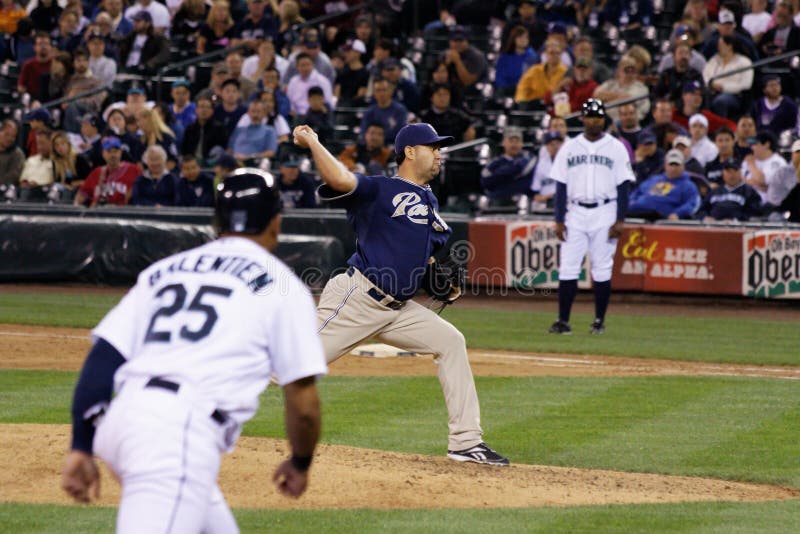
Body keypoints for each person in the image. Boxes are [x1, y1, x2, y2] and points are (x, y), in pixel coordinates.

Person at [61, 167, 326, 532]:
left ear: (216, 221)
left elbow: (104, 355)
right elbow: (303, 401)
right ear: (276, 221)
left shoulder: (165, 270)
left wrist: (81, 443)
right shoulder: (282, 284)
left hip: (123, 423)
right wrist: (300, 462)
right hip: (174, 437)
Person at [293, 121, 509, 466]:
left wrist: (433, 275)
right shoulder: (380, 189)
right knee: (294, 365)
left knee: (451, 342)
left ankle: (466, 443)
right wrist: (314, 142)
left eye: (440, 148)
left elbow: (420, 258)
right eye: (433, 148)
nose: (440, 155)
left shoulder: (430, 203)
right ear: (410, 151)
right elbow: (339, 180)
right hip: (357, 299)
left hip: (398, 310)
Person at [548, 99, 633, 336]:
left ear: (604, 119)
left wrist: (620, 219)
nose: (594, 121)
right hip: (575, 212)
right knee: (568, 267)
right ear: (583, 119)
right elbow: (561, 186)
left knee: (602, 269)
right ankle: (563, 321)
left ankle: (599, 321)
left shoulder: (615, 147)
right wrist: (559, 219)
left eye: (598, 117)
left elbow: (624, 185)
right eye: (590, 116)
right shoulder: (569, 147)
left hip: (605, 211)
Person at [628, 148, 701, 221]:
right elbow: (638, 191)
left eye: (677, 164)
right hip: (636, 212)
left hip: (661, 218)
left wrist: (678, 213)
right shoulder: (654, 179)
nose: (674, 168)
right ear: (665, 165)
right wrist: (631, 201)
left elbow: (692, 203)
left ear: (683, 166)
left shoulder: (688, 186)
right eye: (671, 164)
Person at [74, 136, 141, 206]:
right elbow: (81, 195)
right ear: (103, 154)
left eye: (115, 151)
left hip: (122, 213)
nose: (113, 155)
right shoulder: (97, 172)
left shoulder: (133, 170)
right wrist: (77, 207)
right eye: (109, 151)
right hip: (99, 213)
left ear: (121, 153)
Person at [480, 126, 537, 205]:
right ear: (504, 142)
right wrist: (513, 170)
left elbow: (526, 174)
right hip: (497, 202)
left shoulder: (530, 158)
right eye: (511, 141)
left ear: (522, 143)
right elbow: (485, 182)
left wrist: (501, 174)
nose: (514, 144)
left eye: (517, 141)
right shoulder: (494, 163)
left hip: (524, 202)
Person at [702, 34, 753, 118]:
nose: (718, 48)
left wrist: (723, 87)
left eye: (720, 45)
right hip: (711, 91)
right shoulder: (714, 60)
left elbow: (746, 84)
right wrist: (710, 84)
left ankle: (721, 125)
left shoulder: (744, 62)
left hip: (734, 95)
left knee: (721, 101)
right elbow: (705, 75)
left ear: (729, 46)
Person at [696, 157, 763, 221]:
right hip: (714, 228)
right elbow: (701, 211)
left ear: (740, 172)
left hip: (738, 229)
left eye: (735, 171)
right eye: (728, 171)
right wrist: (706, 218)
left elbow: (754, 214)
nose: (732, 175)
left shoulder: (749, 192)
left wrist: (736, 220)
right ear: (723, 173)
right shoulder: (714, 191)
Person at [743, 130, 794, 206]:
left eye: (755, 144)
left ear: (766, 144)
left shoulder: (778, 163)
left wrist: (751, 164)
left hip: (769, 206)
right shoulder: (748, 160)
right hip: (746, 202)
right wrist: (752, 183)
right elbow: (737, 181)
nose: (752, 147)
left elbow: (763, 182)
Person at [228, 99, 277, 164]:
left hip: (256, 165)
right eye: (253, 111)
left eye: (258, 111)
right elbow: (229, 150)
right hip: (235, 164)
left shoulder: (269, 131)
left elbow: (271, 152)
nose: (255, 115)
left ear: (264, 113)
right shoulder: (239, 130)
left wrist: (250, 157)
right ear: (248, 113)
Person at [0, 119, 25, 187]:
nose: (10, 139)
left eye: (13, 136)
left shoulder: (17, 154)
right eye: (7, 134)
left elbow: (13, 177)